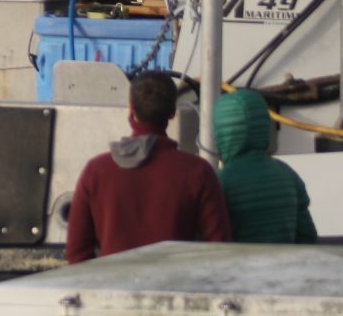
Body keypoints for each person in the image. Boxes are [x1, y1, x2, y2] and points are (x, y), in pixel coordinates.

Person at [65, 72, 231, 262]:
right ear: (172, 112)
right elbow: (218, 249)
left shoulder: (96, 171)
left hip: (112, 288)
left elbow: (76, 253)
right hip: (174, 288)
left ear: (131, 109)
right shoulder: (198, 172)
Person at [214, 88, 318, 243]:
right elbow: (308, 236)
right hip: (283, 265)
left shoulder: (221, 181)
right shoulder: (287, 174)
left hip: (238, 265)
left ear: (222, 133)